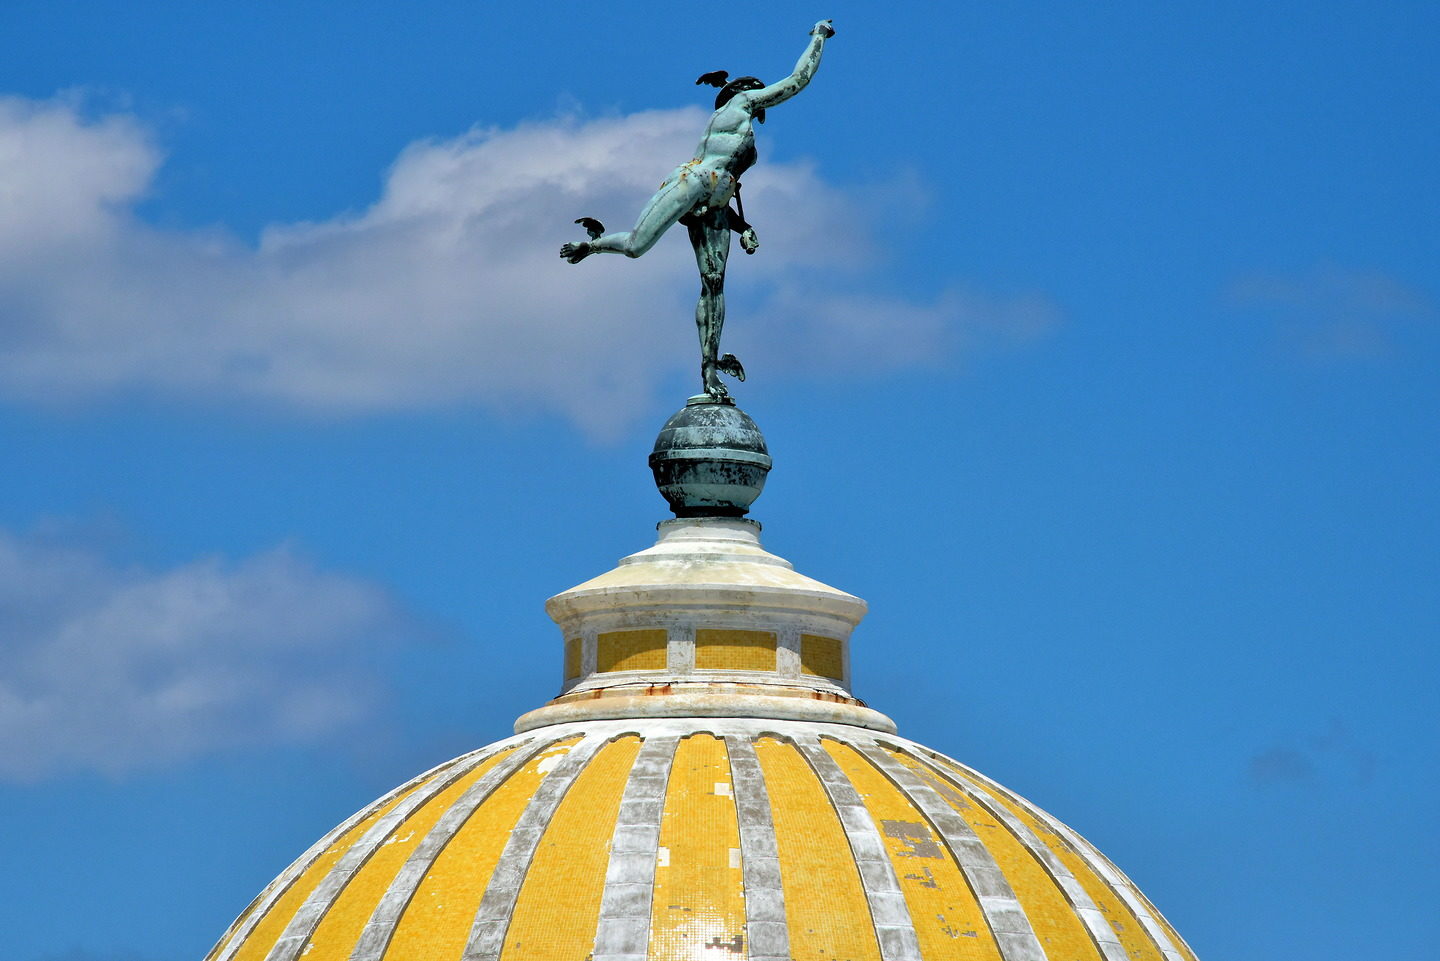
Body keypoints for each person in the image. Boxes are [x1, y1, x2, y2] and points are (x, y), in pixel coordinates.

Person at [560, 19, 835, 400]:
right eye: (757, 90)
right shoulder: (738, 105)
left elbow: (731, 185)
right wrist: (818, 38)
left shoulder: (741, 127)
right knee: (638, 246)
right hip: (695, 182)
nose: (762, 98)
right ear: (741, 91)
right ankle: (591, 246)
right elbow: (795, 82)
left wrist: (743, 228)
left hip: (717, 204)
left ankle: (709, 367)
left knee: (714, 284)